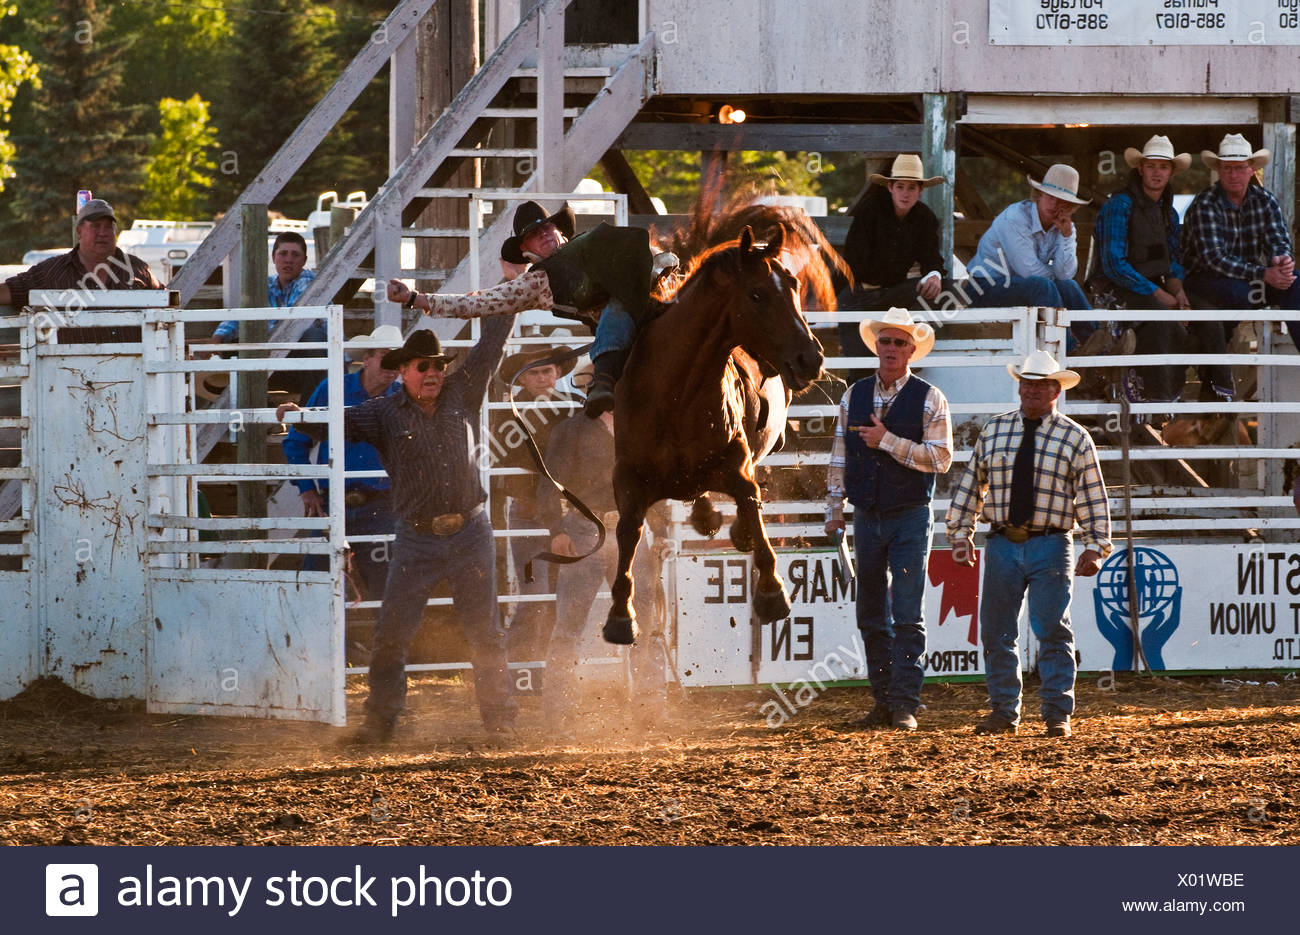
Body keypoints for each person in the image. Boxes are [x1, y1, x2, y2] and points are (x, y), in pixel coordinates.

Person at [276, 320, 519, 743]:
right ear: (403, 371)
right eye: (423, 366)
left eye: (439, 366)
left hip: (469, 530)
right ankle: (379, 721)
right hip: (418, 536)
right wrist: (303, 417)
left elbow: (491, 343)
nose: (433, 373)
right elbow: (334, 424)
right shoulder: (382, 413)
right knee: (393, 630)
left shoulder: (462, 391)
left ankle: (500, 722)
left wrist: (514, 294)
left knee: (484, 629)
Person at [946, 349, 1112, 738]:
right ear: (1019, 387)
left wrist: (1095, 546)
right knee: (997, 630)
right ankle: (1006, 711)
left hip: (1050, 542)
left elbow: (1092, 495)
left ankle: (1056, 713)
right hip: (1005, 540)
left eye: (1041, 385)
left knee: (1051, 627)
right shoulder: (995, 430)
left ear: (1056, 390)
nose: (1032, 390)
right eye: (1027, 383)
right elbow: (972, 484)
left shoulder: (1075, 437)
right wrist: (960, 533)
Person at [388, 200, 669, 419]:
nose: (544, 234)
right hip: (627, 329)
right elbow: (479, 302)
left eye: (547, 228)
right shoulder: (537, 281)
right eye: (535, 234)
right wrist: (416, 298)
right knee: (616, 307)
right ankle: (605, 377)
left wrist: (658, 266)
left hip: (654, 298)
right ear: (526, 249)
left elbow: (639, 254)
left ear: (559, 231)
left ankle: (605, 379)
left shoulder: (593, 243)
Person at [824, 308, 953, 731]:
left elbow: (942, 459)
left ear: (911, 350)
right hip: (868, 513)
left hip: (909, 513)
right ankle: (887, 701)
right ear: (877, 346)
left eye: (899, 343)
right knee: (872, 612)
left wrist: (888, 441)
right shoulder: (854, 395)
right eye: (886, 341)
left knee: (907, 612)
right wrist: (834, 508)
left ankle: (903, 703)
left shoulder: (930, 398)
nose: (891, 348)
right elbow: (840, 455)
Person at [536, 377, 670, 735]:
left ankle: (650, 708)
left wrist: (661, 530)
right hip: (585, 529)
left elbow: (654, 482)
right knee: (569, 624)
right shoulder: (571, 431)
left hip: (629, 530)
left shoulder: (639, 429)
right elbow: (549, 482)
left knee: (646, 622)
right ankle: (559, 712)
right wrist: (556, 529)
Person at [280, 324, 402, 601]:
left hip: (382, 505)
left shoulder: (399, 398)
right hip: (333, 503)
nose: (393, 365)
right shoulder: (333, 389)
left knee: (387, 587)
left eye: (399, 359)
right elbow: (296, 441)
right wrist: (306, 488)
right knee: (317, 586)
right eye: (387, 356)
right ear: (367, 358)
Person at [1182, 133, 1300, 400]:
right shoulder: (1206, 203)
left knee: (1296, 281)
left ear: (1251, 169)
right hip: (1204, 281)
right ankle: (1217, 378)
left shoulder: (1265, 200)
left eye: (1239, 168)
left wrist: (1281, 261)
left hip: (1247, 280)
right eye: (1227, 168)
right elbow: (1213, 258)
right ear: (1219, 170)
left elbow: (1279, 239)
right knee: (1237, 293)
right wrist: (1264, 273)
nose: (1233, 175)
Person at [1091, 135, 1201, 404]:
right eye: (1151, 166)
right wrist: (1158, 294)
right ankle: (1155, 399)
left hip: (1151, 289)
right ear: (1140, 169)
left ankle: (1184, 396)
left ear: (1171, 171)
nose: (1157, 172)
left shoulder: (1169, 213)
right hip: (1112, 289)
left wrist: (1178, 292)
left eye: (1163, 167)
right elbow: (1113, 264)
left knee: (1196, 319)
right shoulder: (1119, 205)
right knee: (1160, 318)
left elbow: (1171, 261)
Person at [492, 338, 581, 658]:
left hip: (569, 516)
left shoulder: (574, 406)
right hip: (528, 513)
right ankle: (514, 665)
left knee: (568, 595)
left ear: (557, 373)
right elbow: (506, 458)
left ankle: (550, 665)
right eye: (535, 372)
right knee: (535, 596)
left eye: (548, 371)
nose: (543, 378)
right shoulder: (506, 412)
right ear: (523, 379)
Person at [965, 165, 1110, 353]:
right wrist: (1055, 277)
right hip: (983, 289)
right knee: (1042, 285)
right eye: (1051, 197)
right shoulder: (1015, 218)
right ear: (1039, 195)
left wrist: (1066, 236)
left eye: (1063, 201)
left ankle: (1100, 347)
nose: (1055, 205)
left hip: (1019, 288)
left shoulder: (1065, 227)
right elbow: (1029, 271)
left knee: (1068, 285)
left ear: (1070, 207)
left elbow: (1065, 275)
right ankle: (1070, 351)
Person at [837, 155, 953, 383]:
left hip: (893, 295)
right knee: (860, 370)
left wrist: (934, 275)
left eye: (911, 188)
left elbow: (931, 258)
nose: (905, 194)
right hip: (858, 294)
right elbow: (852, 263)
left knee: (945, 288)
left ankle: (911, 346)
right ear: (890, 187)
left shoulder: (924, 217)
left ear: (920, 190)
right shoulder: (870, 210)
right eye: (900, 186)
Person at [0, 198, 163, 341]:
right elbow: (11, 290)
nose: (103, 233)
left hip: (134, 365)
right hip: (72, 365)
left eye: (108, 227)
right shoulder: (54, 271)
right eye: (96, 226)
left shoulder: (137, 269)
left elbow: (167, 302)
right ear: (79, 231)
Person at [213, 231, 324, 400]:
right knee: (232, 347)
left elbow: (290, 325)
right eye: (283, 254)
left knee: (312, 336)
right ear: (273, 257)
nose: (288, 260)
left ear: (304, 261)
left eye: (295, 255)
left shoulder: (308, 282)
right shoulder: (265, 285)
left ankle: (311, 409)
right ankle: (250, 406)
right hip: (282, 361)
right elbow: (241, 314)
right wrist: (218, 337)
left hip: (312, 365)